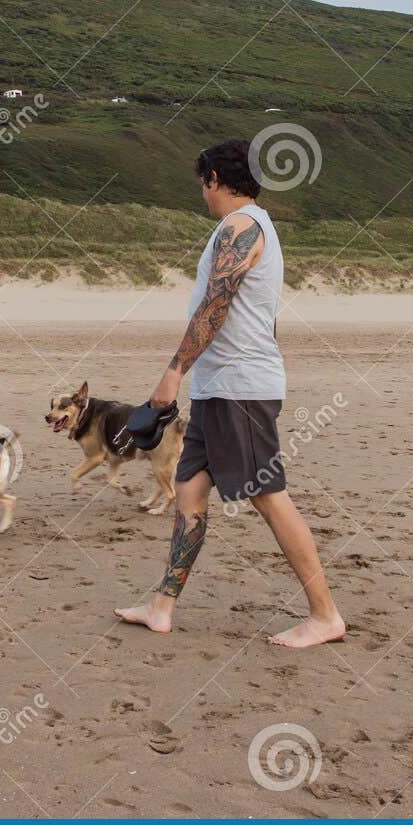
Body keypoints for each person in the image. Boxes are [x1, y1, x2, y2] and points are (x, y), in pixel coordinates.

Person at [115, 139, 346, 648]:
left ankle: (325, 614)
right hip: (222, 388)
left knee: (268, 496)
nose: (202, 192)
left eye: (203, 183)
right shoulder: (254, 228)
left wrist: (174, 372)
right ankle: (161, 606)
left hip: (239, 389)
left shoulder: (240, 228)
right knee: (191, 491)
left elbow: (215, 307)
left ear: (214, 178)